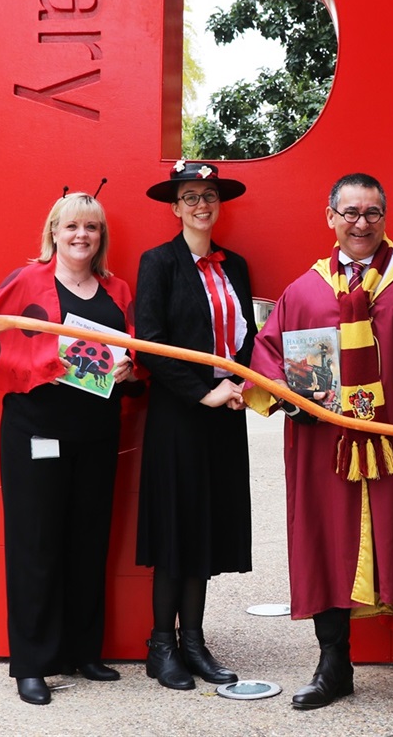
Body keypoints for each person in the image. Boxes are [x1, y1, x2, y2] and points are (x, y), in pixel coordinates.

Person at [243, 173, 393, 726]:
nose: (361, 223)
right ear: (330, 217)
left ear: (385, 218)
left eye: (372, 213)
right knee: (325, 543)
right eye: (349, 212)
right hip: (326, 447)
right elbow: (270, 355)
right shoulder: (305, 291)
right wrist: (289, 400)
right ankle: (334, 667)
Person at [0, 191, 141, 706]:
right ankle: (31, 665)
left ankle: (83, 651)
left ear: (101, 237)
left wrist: (129, 368)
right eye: (71, 226)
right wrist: (41, 366)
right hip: (36, 432)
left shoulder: (117, 289)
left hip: (97, 433)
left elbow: (136, 350)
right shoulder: (26, 281)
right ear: (54, 231)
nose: (81, 235)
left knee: (89, 544)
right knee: (36, 547)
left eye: (91, 227)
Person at [134, 161, 257, 691]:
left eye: (209, 195)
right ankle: (161, 645)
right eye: (190, 197)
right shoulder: (158, 262)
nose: (201, 204)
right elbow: (149, 342)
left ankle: (195, 643)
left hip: (225, 415)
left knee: (204, 528)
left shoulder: (237, 266)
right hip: (180, 415)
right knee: (175, 530)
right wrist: (204, 391)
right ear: (175, 207)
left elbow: (248, 337)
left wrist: (242, 384)